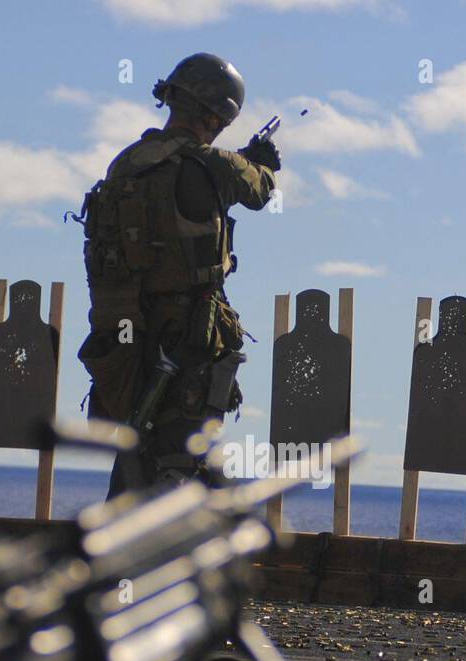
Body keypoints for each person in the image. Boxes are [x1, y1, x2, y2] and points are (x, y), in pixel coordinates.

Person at [77, 52, 279, 495]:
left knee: (136, 454)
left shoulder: (127, 163)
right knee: (178, 461)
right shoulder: (214, 166)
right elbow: (259, 188)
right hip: (185, 337)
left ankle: (114, 554)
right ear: (215, 116)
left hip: (125, 335)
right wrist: (260, 160)